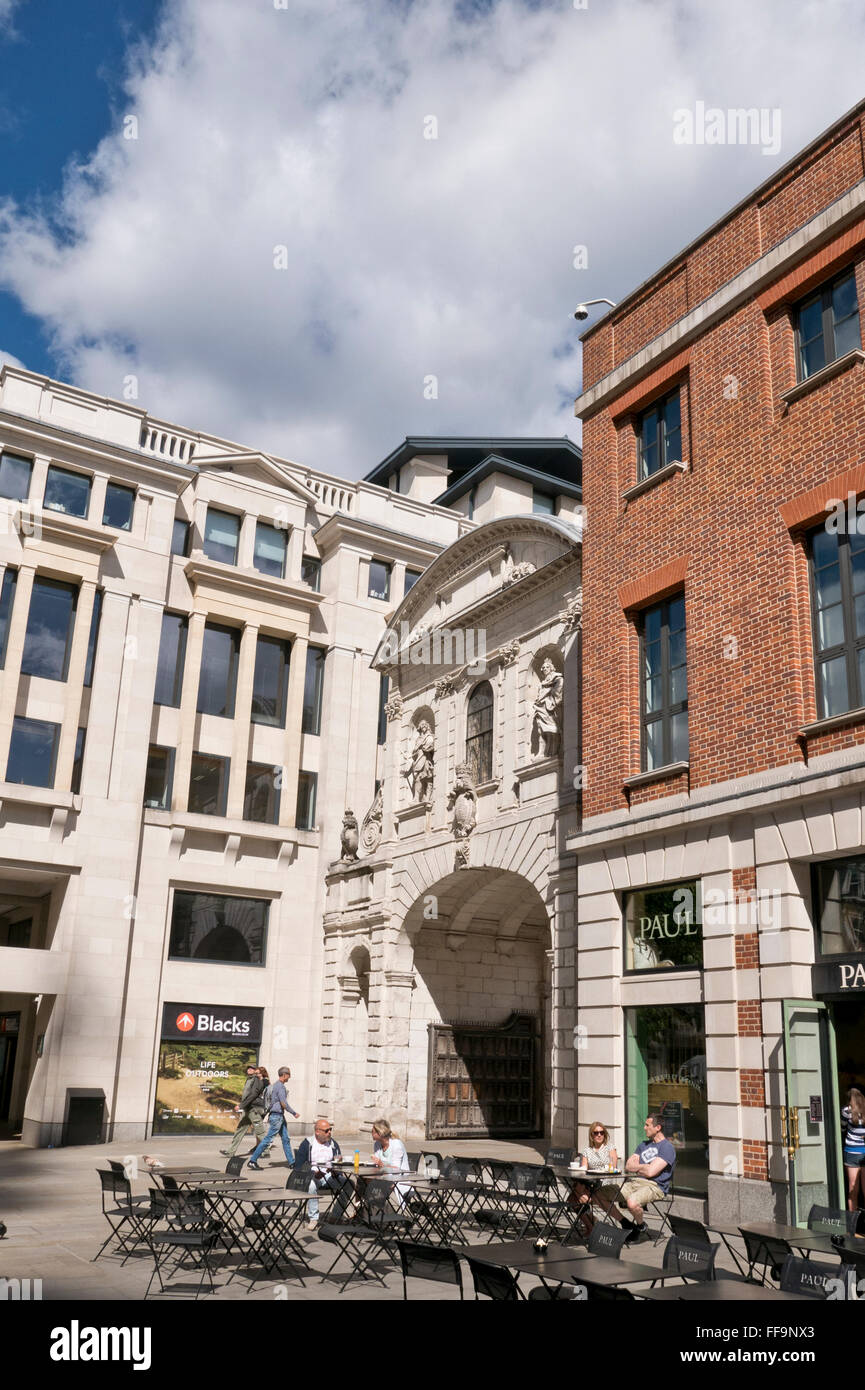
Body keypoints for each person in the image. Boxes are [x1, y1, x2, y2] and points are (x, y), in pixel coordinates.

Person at [595, 1113, 675, 1243]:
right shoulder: (643, 1145)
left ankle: (640, 1225)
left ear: (658, 1127)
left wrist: (639, 1167)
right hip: (633, 1183)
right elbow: (628, 1165)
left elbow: (651, 1173)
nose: (644, 1128)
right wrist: (645, 1167)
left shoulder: (667, 1148)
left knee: (632, 1203)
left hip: (654, 1186)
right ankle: (625, 1223)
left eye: (647, 1125)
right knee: (598, 1194)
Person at [294, 1118, 352, 1227]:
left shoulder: (333, 1144)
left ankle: (335, 1215)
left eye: (330, 1130)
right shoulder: (307, 1144)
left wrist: (337, 1171)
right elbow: (298, 1167)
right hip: (311, 1176)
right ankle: (314, 1218)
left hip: (329, 1176)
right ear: (317, 1131)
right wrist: (313, 1173)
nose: (329, 1132)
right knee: (311, 1186)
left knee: (349, 1184)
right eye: (326, 1131)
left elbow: (337, 1162)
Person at [568, 1122, 619, 1233]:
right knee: (573, 1197)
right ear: (592, 1135)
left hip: (605, 1182)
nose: (599, 1135)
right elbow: (584, 1169)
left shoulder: (610, 1148)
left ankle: (591, 1223)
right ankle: (591, 1223)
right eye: (596, 1133)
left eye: (602, 1133)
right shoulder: (587, 1150)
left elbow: (613, 1168)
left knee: (574, 1197)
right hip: (591, 1182)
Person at [247, 1066, 299, 1169]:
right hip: (277, 1116)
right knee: (268, 1139)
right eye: (289, 1075)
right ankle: (253, 1161)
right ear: (284, 1075)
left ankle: (292, 1162)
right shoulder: (280, 1087)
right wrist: (294, 1113)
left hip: (279, 1116)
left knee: (285, 1139)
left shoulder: (275, 1085)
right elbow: (283, 1103)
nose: (290, 1077)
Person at [221, 1064, 268, 1158]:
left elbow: (253, 1095)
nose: (249, 1069)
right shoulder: (249, 1079)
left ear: (255, 1071)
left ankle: (265, 1151)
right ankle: (230, 1151)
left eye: (252, 1068)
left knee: (260, 1131)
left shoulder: (256, 1080)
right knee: (240, 1129)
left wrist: (241, 1105)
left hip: (253, 1108)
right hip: (247, 1108)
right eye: (248, 1068)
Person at [841, 1086, 865, 1213]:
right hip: (864, 1151)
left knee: (852, 1190)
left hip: (851, 1152)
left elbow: (842, 1128)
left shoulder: (846, 1111)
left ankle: (852, 1225)